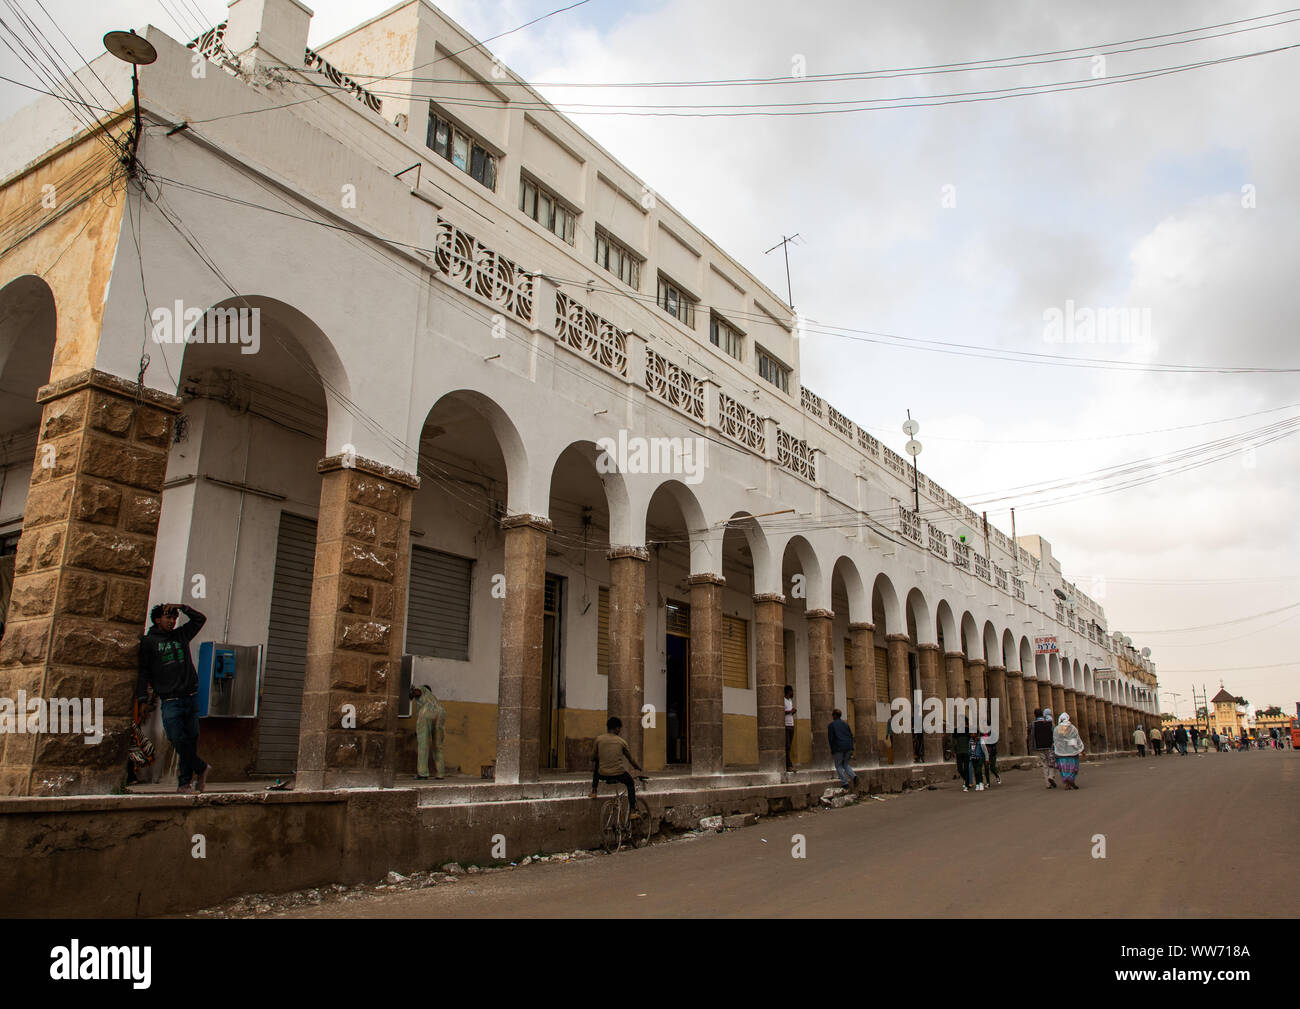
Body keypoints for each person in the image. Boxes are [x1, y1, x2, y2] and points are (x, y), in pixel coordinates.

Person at [136, 603, 208, 793]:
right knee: (176, 738)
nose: (172, 621)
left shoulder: (181, 635)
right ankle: (201, 768)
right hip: (170, 700)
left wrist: (183, 607)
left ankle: (184, 784)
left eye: (174, 618)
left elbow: (200, 619)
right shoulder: (149, 642)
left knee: (191, 740)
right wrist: (142, 698)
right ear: (158, 619)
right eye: (168, 618)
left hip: (190, 697)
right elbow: (143, 672)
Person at [589, 716, 644, 815]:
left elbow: (592, 757)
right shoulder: (622, 742)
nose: (620, 730)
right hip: (619, 774)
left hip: (602, 774)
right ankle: (632, 810)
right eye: (619, 729)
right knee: (630, 783)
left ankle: (594, 790)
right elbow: (630, 759)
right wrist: (637, 767)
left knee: (597, 762)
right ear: (617, 728)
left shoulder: (598, 739)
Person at [409, 684, 446, 779]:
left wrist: (412, 692)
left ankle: (422, 773)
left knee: (423, 744)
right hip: (441, 713)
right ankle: (440, 773)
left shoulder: (423, 689)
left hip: (427, 713)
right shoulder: (433, 698)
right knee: (438, 745)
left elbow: (418, 692)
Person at [1053, 711, 1086, 789]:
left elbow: (1056, 741)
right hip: (1072, 753)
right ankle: (1071, 780)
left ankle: (1067, 784)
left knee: (1064, 769)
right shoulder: (1072, 728)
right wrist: (1082, 750)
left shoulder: (1057, 729)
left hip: (1061, 753)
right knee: (1072, 768)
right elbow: (1076, 740)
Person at [827, 709, 857, 790]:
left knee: (838, 765)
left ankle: (845, 782)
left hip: (838, 747)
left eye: (833, 715)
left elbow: (831, 739)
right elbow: (851, 735)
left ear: (835, 715)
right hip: (848, 747)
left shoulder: (831, 725)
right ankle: (854, 776)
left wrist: (832, 749)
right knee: (846, 764)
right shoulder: (846, 724)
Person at [1032, 707, 1058, 788]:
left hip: (1039, 747)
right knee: (1051, 762)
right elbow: (1054, 734)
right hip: (1049, 746)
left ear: (1034, 715)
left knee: (1044, 764)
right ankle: (1051, 776)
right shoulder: (1049, 723)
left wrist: (1034, 746)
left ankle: (1047, 783)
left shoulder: (1034, 724)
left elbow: (1033, 736)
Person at [783, 684, 796, 772]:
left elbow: (789, 712)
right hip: (786, 725)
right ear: (788, 691)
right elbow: (781, 711)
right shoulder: (783, 700)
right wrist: (790, 711)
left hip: (791, 724)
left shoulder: (790, 700)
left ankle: (788, 763)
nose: (792, 693)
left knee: (789, 746)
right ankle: (788, 765)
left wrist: (792, 712)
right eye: (791, 691)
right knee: (786, 746)